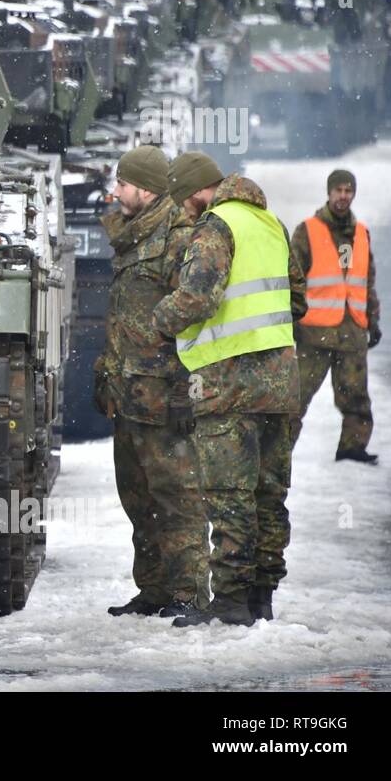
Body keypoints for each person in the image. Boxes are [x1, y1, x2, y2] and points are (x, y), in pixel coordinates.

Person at [153, 153, 306, 626]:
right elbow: (297, 299)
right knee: (268, 493)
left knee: (229, 493)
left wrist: (161, 319)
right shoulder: (270, 222)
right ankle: (262, 595)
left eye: (183, 199)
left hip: (229, 384)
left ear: (199, 190)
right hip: (279, 385)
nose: (183, 210)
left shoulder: (216, 227)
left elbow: (198, 296)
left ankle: (233, 602)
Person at [95, 146, 208, 618]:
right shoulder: (132, 237)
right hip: (129, 396)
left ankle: (189, 594)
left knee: (177, 499)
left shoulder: (180, 241)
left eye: (122, 183)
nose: (115, 191)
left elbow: (198, 318)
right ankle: (156, 589)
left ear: (145, 189)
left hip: (165, 397)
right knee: (138, 499)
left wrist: (187, 390)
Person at [290, 169, 381, 463]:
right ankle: (278, 453)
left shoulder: (361, 233)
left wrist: (373, 320)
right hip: (314, 333)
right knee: (295, 399)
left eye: (348, 190)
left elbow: (367, 281)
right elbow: (293, 279)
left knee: (356, 397)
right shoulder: (308, 230)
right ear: (328, 193)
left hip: (352, 330)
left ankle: (353, 447)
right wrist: (290, 321)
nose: (343, 196)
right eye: (339, 190)